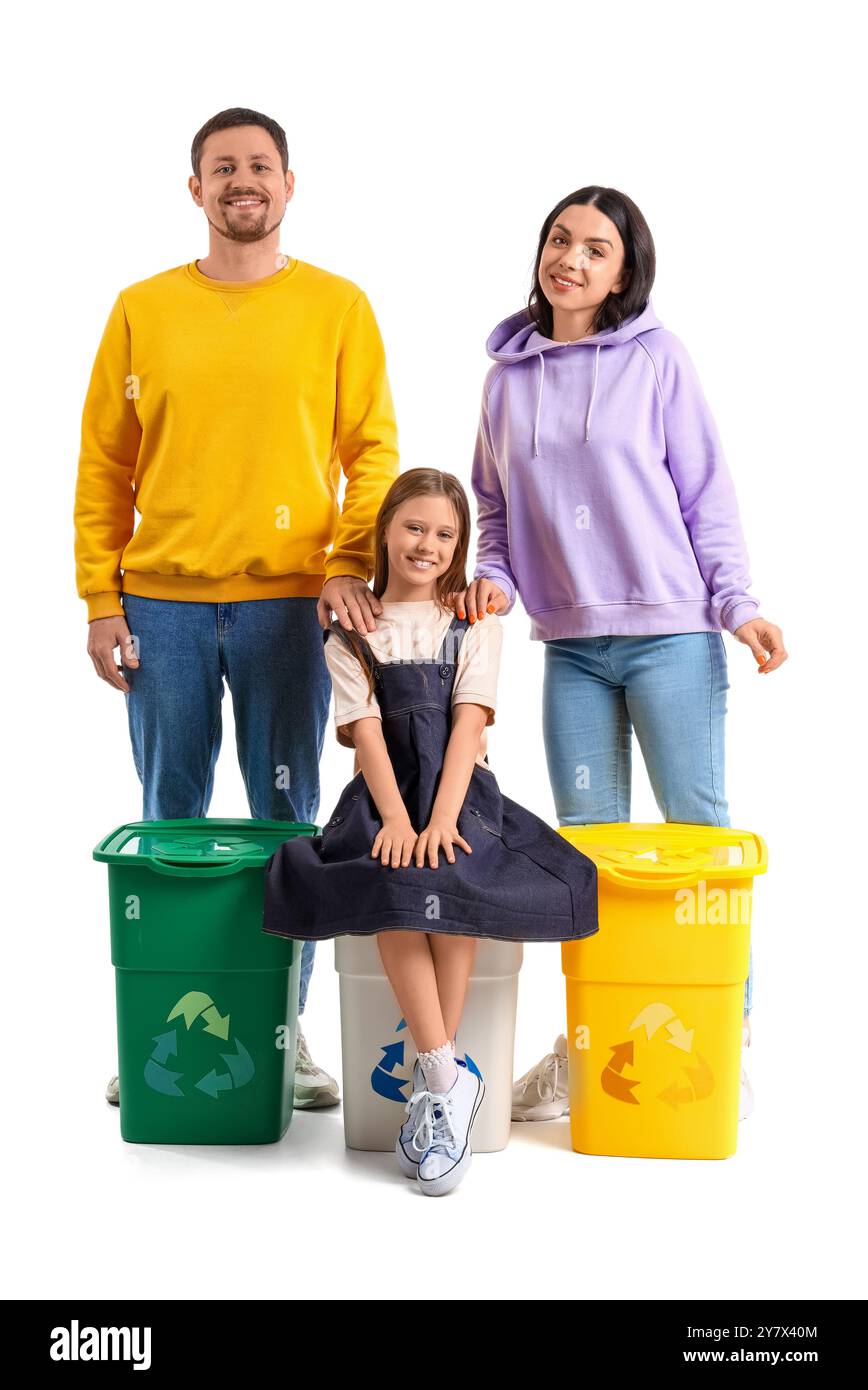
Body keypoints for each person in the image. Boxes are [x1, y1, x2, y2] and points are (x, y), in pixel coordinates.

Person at [74, 107, 399, 1111]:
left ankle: (281, 1029)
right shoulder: (141, 308)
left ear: (289, 186)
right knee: (168, 822)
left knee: (286, 826)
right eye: (223, 167)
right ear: (196, 189)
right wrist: (99, 598)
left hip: (289, 611)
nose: (241, 180)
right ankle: (166, 1024)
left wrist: (350, 565)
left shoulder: (338, 308)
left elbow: (373, 453)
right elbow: (104, 465)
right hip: (159, 606)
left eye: (260, 165)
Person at [459, 185, 787, 1124]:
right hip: (570, 647)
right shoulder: (504, 380)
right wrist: (497, 582)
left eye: (595, 249)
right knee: (586, 854)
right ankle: (586, 1048)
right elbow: (496, 514)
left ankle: (724, 1034)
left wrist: (739, 604)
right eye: (559, 240)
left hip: (671, 637)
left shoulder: (657, 361)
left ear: (623, 271)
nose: (570, 258)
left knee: (698, 837)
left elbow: (705, 493)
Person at [262, 469, 599, 1195]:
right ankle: (448, 1075)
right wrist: (393, 819)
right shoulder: (352, 629)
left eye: (445, 534)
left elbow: (469, 723)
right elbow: (366, 733)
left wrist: (441, 820)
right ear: (385, 529)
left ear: (460, 546)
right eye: (414, 527)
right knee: (393, 887)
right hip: (385, 796)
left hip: (459, 792)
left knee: (452, 878)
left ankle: (436, 1084)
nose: (428, 544)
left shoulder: (475, 624)